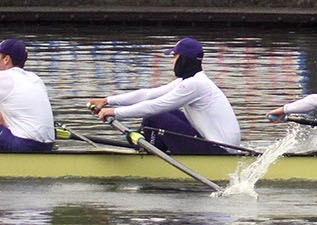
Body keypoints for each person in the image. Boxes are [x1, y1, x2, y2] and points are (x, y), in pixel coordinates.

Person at [88, 37, 242, 155]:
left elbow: (154, 106)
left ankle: (147, 155)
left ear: (183, 59)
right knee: (167, 113)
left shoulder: (194, 85)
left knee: (156, 116)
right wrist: (107, 101)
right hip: (217, 145)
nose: (172, 62)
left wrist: (115, 113)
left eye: (174, 57)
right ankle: (148, 147)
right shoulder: (192, 81)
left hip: (220, 151)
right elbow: (147, 95)